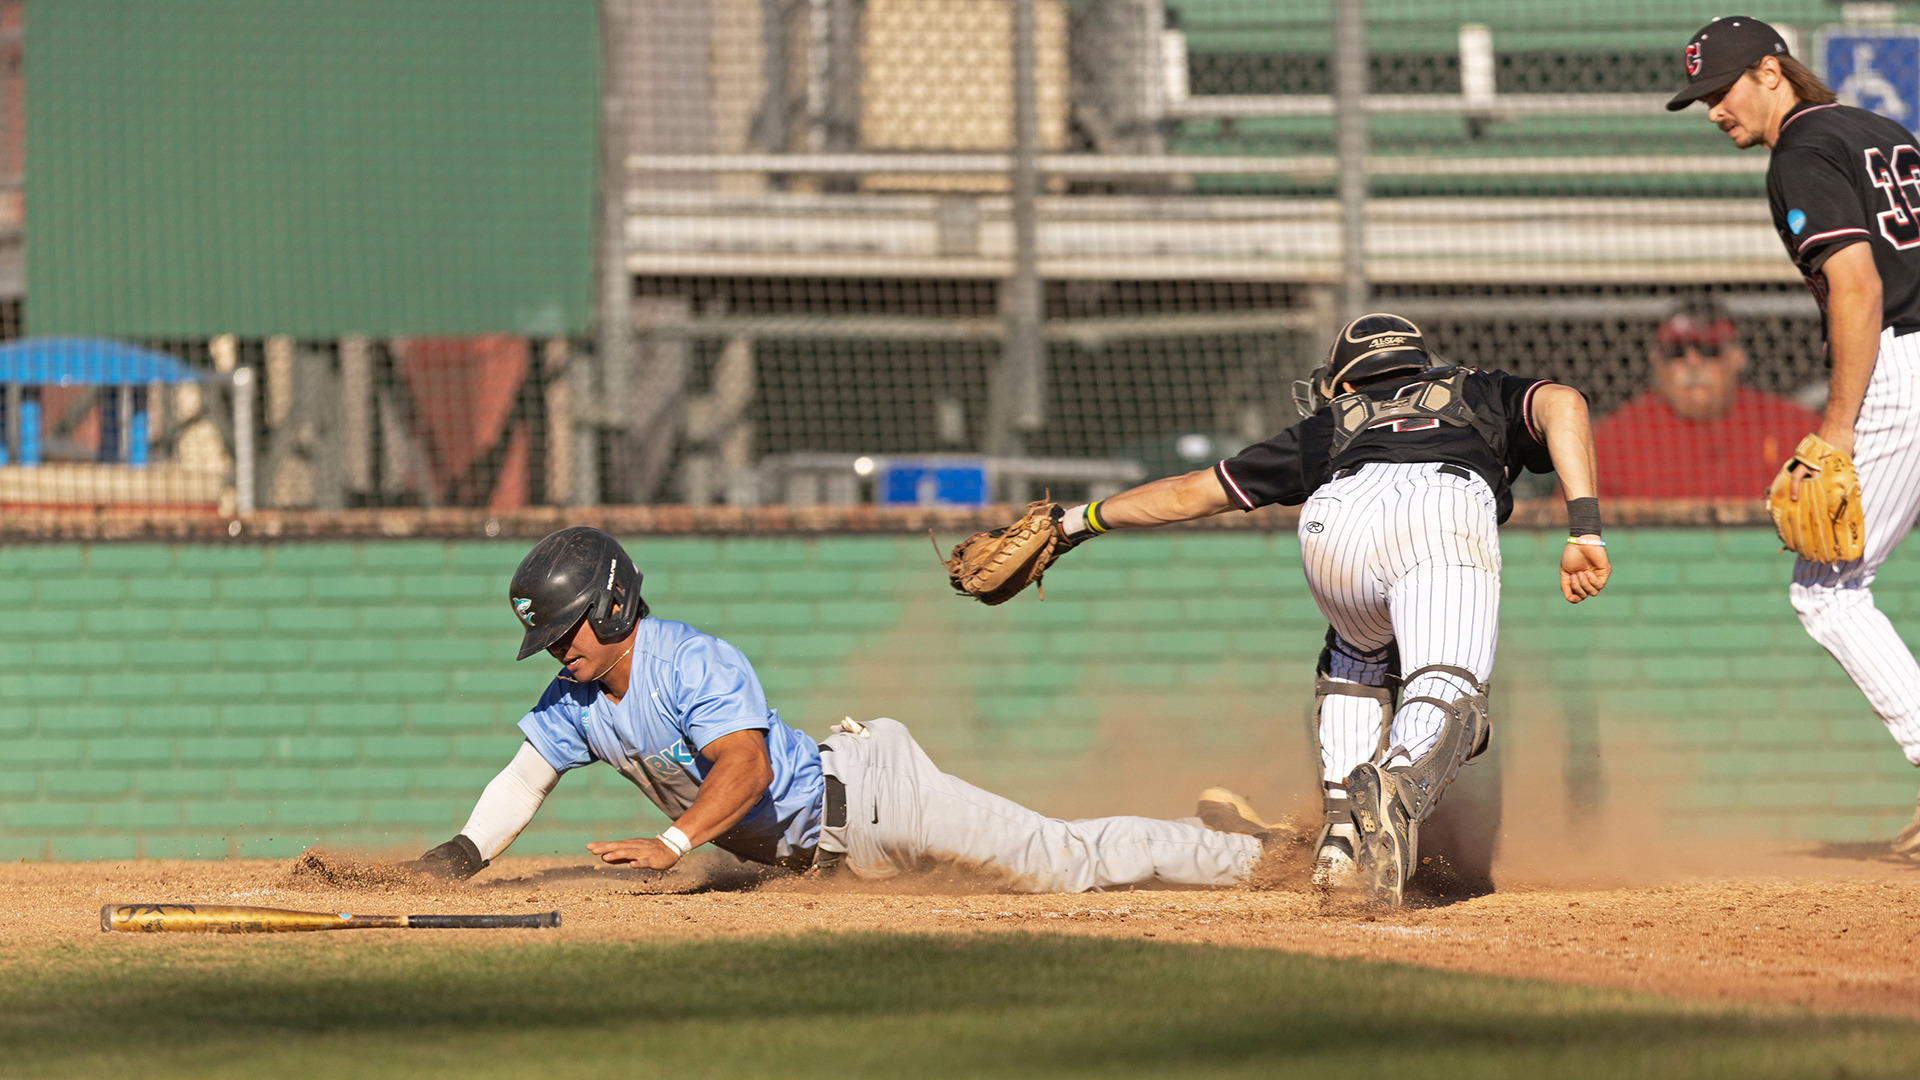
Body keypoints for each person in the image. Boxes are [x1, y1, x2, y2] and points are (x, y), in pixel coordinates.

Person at [1023, 313, 1610, 906]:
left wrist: (1075, 521)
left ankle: (1342, 841)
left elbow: (1187, 493)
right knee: (1448, 684)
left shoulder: (1327, 424)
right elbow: (1564, 401)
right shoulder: (1478, 388)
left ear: (1347, 383)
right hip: (1446, 502)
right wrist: (1584, 527)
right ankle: (1398, 786)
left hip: (1335, 516)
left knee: (1357, 653)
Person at [407, 526, 1284, 892]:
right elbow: (524, 779)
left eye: (568, 630)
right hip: (820, 857)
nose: (561, 650)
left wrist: (673, 845)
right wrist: (452, 860)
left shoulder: (688, 661)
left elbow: (744, 768)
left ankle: (1261, 857)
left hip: (869, 799)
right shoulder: (579, 697)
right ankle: (1218, 836)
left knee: (1062, 860)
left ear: (612, 609)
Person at [1669, 17, 1920, 856]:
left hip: (1903, 369)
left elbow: (1855, 287)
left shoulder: (1800, 152)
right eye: (1702, 97)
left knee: (1827, 590)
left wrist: (1838, 430)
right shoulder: (1883, 130)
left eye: (1721, 89)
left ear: (1772, 72)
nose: (1711, 110)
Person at [1592, 299, 1820, 497]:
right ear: (1656, 361)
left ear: (1736, 357)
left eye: (1709, 350)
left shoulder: (1791, 426)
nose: (1694, 364)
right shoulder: (1614, 438)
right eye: (1677, 352)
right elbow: (1574, 526)